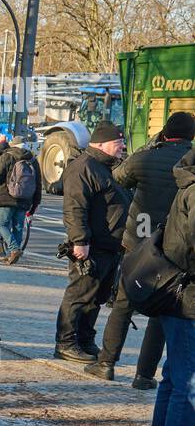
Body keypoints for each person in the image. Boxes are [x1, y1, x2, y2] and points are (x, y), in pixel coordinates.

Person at [89, 113, 195, 385]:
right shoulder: (189, 164)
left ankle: (106, 363)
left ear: (165, 133)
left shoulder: (145, 158)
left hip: (138, 244)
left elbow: (117, 177)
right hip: (173, 250)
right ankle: (144, 374)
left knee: (123, 305)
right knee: (162, 313)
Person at [55, 122, 130, 363]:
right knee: (79, 295)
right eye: (117, 143)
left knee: (96, 297)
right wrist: (80, 240)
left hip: (110, 246)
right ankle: (65, 343)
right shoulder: (84, 168)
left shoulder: (109, 167)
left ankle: (85, 340)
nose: (122, 146)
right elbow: (75, 208)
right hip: (90, 246)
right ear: (99, 144)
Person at [143, 152, 195, 426]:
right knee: (189, 382)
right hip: (189, 298)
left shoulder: (188, 184)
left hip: (178, 294)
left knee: (175, 377)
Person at [0, 134, 42, 265]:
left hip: (6, 197)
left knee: (1, 224)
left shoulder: (7, 156)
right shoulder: (32, 159)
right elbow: (38, 183)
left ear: (12, 144)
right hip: (25, 199)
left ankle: (14, 249)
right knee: (18, 227)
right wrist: (35, 203)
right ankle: (11, 254)